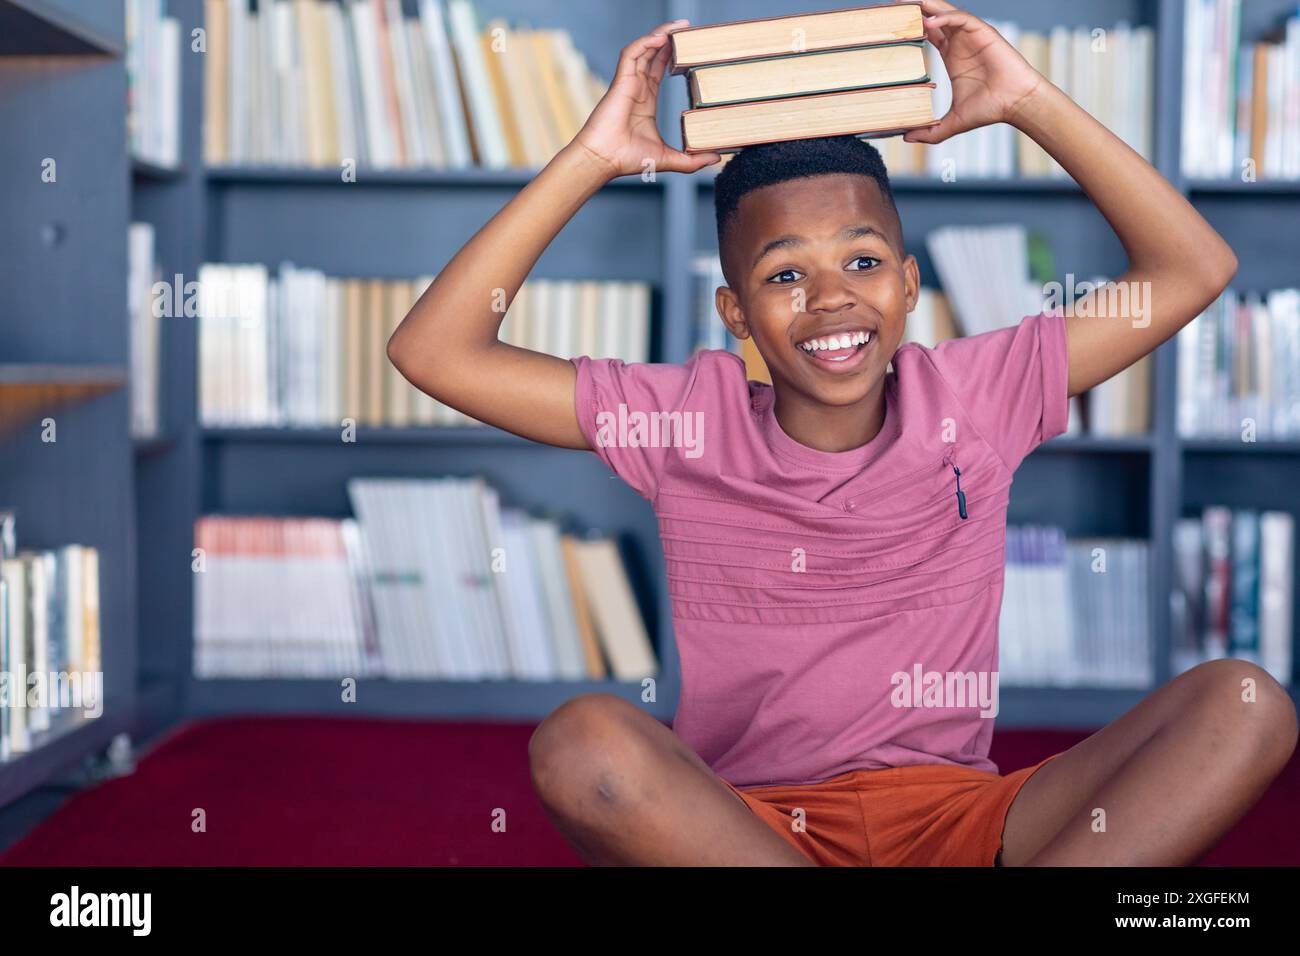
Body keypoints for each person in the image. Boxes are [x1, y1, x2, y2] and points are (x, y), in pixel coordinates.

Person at [388, 0, 1295, 865]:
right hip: (754, 831)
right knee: (582, 741)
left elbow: (1193, 264)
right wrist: (592, 155)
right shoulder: (676, 421)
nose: (831, 299)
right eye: (784, 275)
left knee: (1247, 701)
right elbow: (435, 350)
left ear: (905, 282)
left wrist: (1027, 101)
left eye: (862, 261)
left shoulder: (978, 396)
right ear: (735, 313)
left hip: (964, 817)